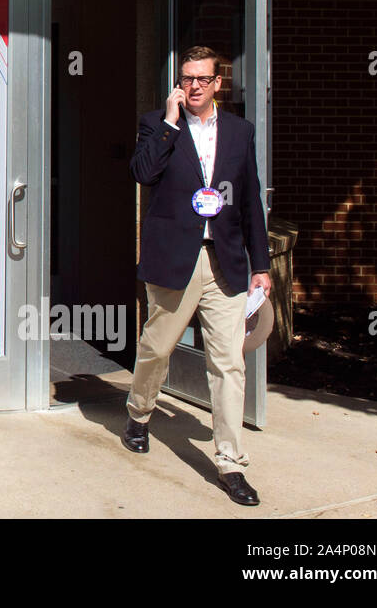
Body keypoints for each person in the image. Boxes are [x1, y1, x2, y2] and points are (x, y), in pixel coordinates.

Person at [122, 46, 271, 506]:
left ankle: (230, 462)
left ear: (218, 83)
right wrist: (169, 123)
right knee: (157, 346)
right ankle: (139, 413)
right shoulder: (157, 124)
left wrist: (261, 265)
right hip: (174, 260)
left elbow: (249, 202)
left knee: (227, 362)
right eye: (187, 79)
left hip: (223, 259)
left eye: (203, 79)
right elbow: (143, 173)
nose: (194, 87)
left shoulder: (240, 132)